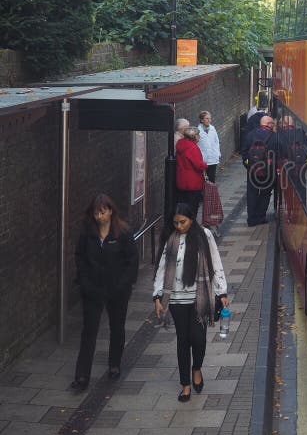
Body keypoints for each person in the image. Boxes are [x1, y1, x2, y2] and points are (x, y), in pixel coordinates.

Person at [153, 203, 228, 402]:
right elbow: (162, 267)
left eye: (183, 222)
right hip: (176, 299)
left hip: (199, 297)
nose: (179, 226)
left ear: (192, 219)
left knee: (199, 339)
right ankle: (185, 385)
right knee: (183, 341)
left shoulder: (204, 235)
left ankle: (197, 368)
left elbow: (215, 261)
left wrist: (222, 292)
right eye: (175, 222)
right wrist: (157, 296)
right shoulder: (170, 239)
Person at [71, 194, 139, 391]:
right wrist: (84, 282)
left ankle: (114, 364)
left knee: (117, 327)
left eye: (102, 212)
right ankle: (82, 375)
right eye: (96, 213)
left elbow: (131, 261)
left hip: (117, 289)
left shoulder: (123, 233)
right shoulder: (87, 233)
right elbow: (80, 257)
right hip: (93, 289)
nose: (99, 216)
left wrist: (123, 284)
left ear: (110, 211)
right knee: (89, 331)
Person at [240, 114, 279, 226]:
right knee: (265, 194)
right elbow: (278, 154)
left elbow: (244, 152)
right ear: (269, 124)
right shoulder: (274, 137)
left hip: (252, 171)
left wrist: (249, 166)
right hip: (268, 172)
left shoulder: (250, 135)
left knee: (252, 194)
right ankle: (261, 217)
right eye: (272, 124)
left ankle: (251, 219)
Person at [176, 126, 207, 217]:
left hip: (181, 181)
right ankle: (191, 227)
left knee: (183, 207)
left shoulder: (180, 145)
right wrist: (205, 164)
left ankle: (183, 225)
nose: (199, 137)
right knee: (193, 207)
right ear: (194, 136)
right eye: (198, 135)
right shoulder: (193, 148)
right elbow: (198, 165)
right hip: (193, 182)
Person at [196, 111, 221, 183]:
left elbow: (217, 141)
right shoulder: (198, 130)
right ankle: (204, 194)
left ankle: (212, 194)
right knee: (203, 180)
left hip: (213, 158)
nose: (209, 120)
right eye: (206, 118)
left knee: (212, 179)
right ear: (201, 120)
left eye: (210, 118)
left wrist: (218, 153)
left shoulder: (213, 128)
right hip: (203, 159)